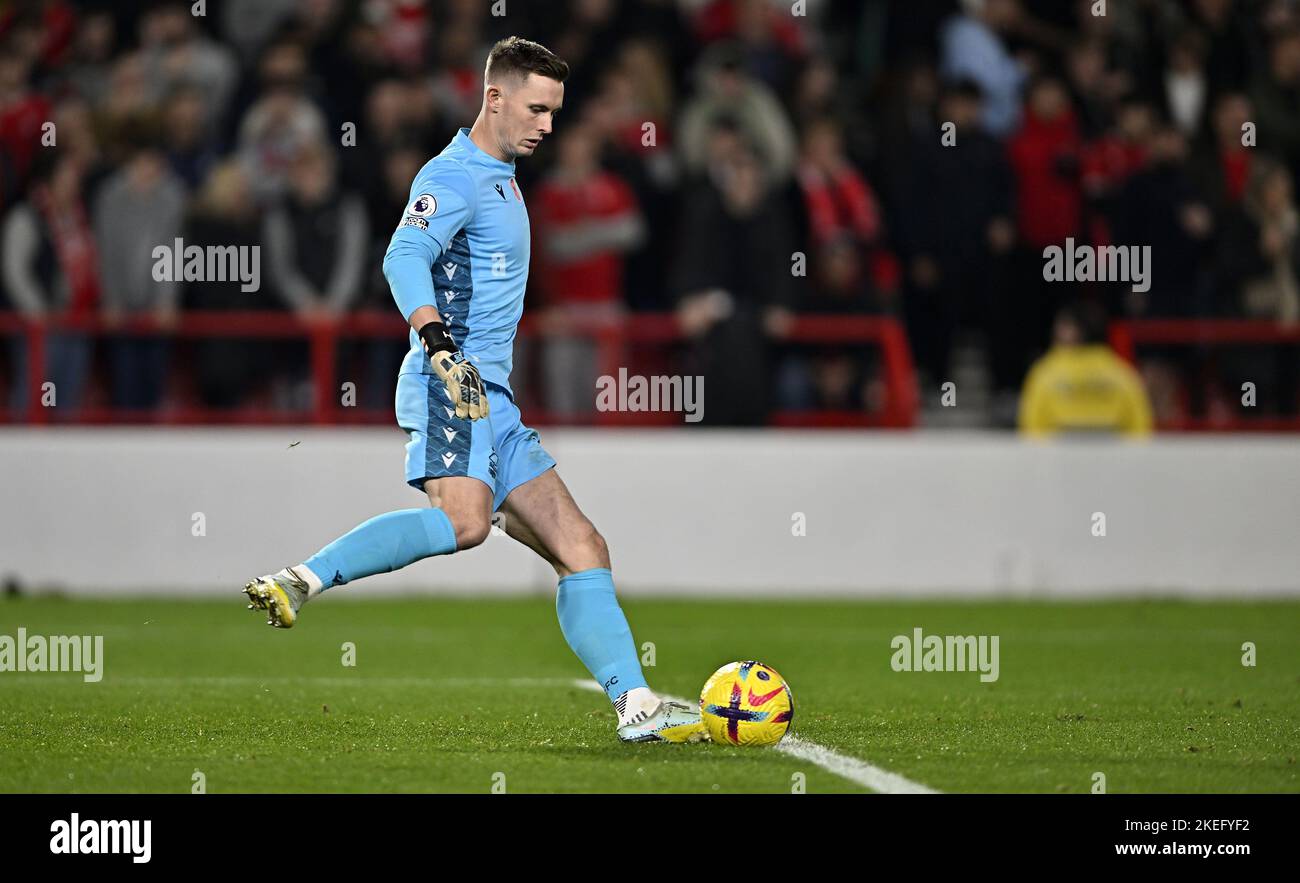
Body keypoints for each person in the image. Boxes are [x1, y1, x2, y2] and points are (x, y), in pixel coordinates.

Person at [242, 37, 704, 745]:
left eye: (554, 111)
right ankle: (303, 577)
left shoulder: (501, 173)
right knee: (463, 524)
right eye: (537, 109)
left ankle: (637, 705)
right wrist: (436, 344)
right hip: (452, 382)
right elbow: (403, 253)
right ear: (495, 97)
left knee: (582, 545)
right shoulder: (453, 174)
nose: (548, 125)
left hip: (497, 399)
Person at [1018, 302, 1153, 437]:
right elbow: (1141, 430)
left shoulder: (1044, 373)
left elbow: (1030, 429)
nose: (1055, 332)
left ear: (1078, 331)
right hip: (1114, 457)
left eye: (1063, 326)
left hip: (1056, 457)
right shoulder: (1123, 374)